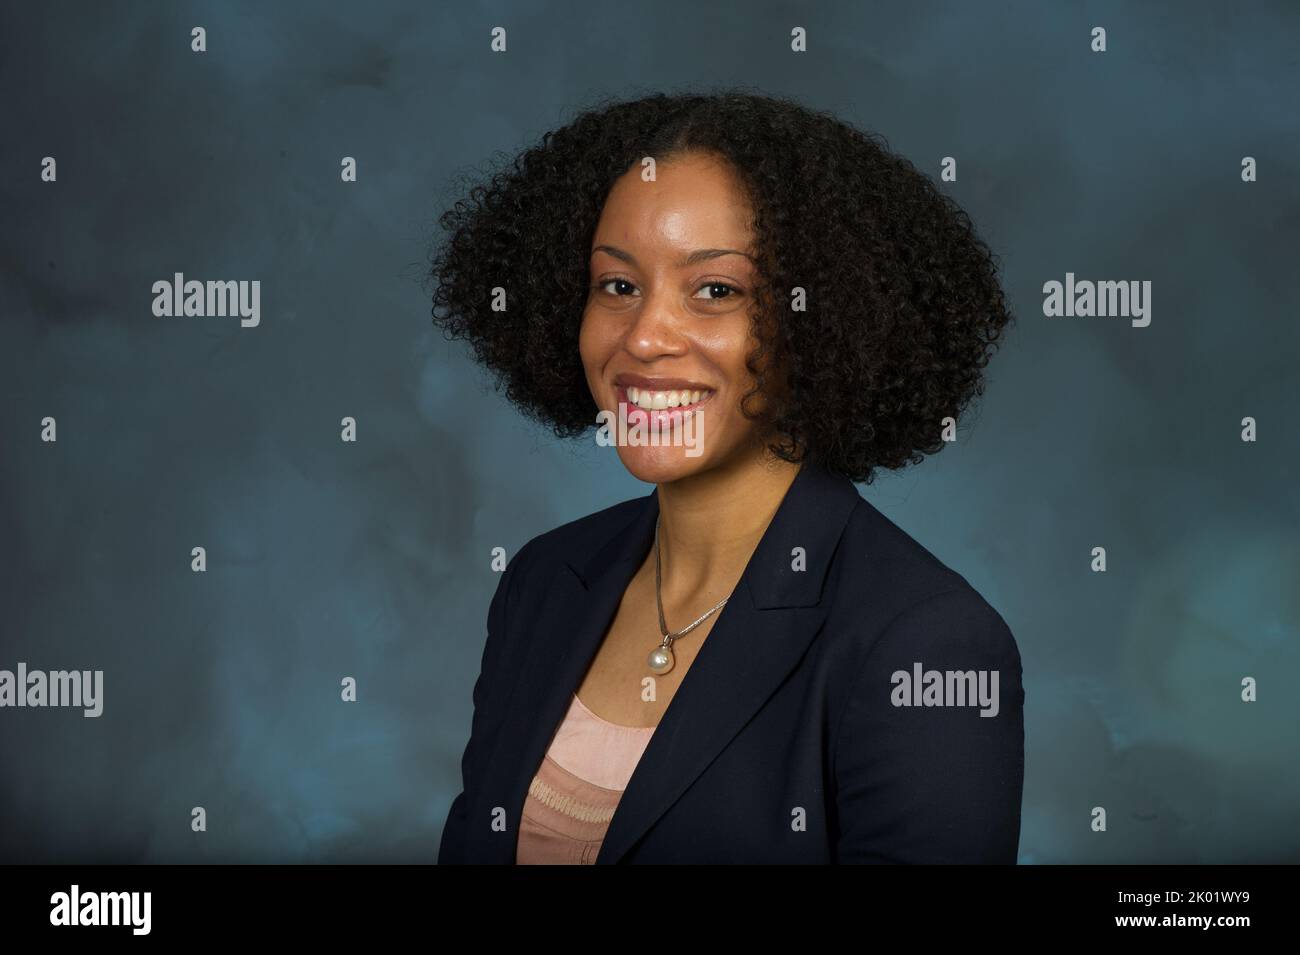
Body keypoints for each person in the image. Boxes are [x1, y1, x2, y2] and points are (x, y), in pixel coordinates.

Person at [428, 89, 1024, 864]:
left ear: (824, 321)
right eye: (617, 285)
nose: (644, 338)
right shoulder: (544, 581)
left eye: (716, 290)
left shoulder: (925, 644)